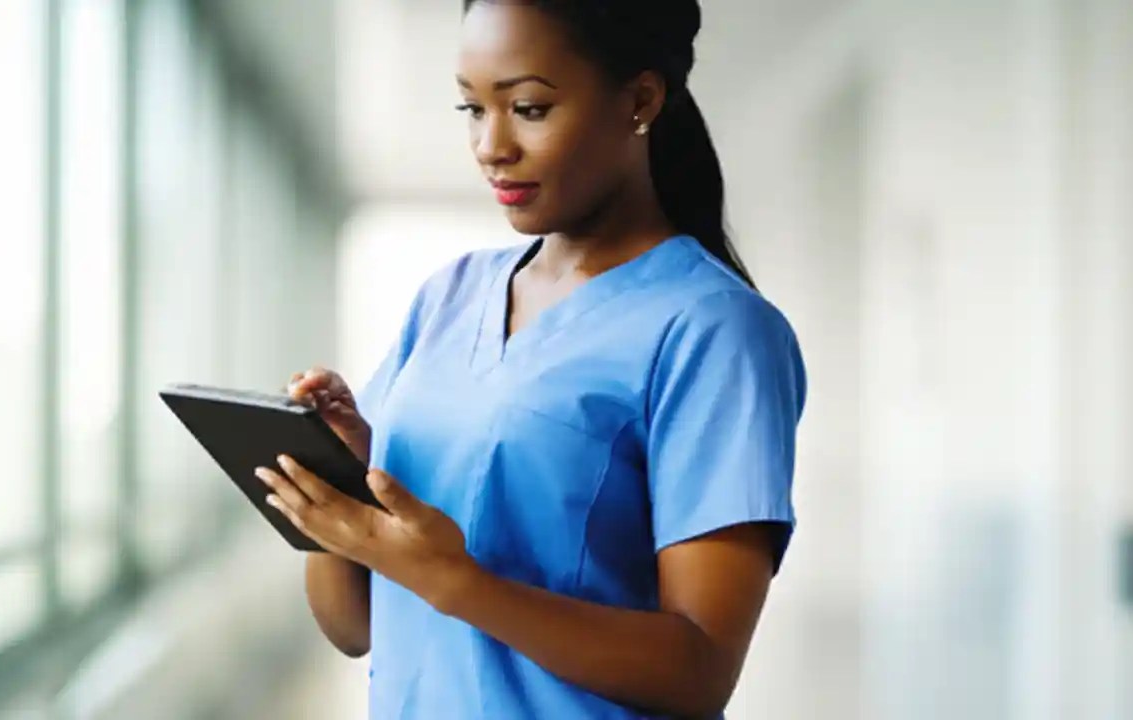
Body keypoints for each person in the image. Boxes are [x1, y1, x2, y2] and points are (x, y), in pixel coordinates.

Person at [255, 1, 807, 717]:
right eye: (471, 108)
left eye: (528, 107)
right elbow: (355, 627)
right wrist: (341, 482)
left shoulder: (714, 330)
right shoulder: (448, 297)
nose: (491, 145)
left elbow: (698, 672)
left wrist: (456, 582)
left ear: (639, 101)